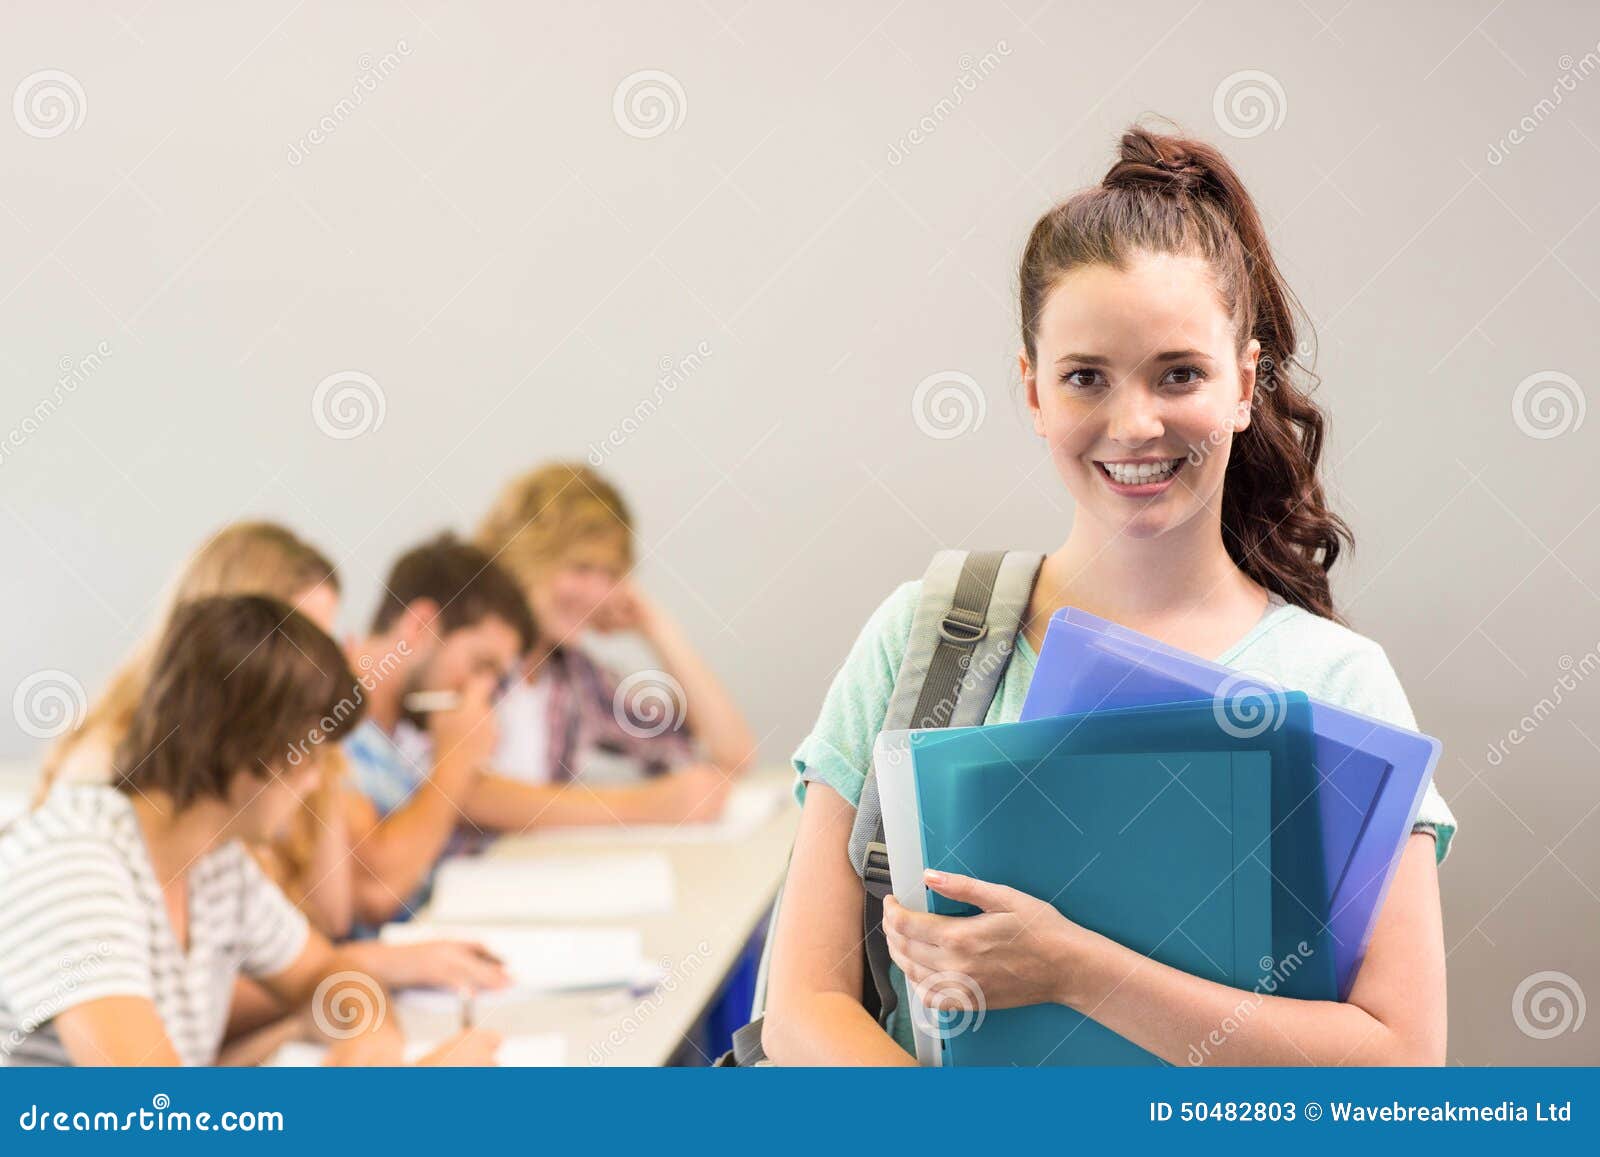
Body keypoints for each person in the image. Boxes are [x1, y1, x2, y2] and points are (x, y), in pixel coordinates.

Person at [761, 123, 1459, 1067]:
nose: (1136, 424)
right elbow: (804, 1005)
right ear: (1034, 391)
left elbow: (1400, 1062)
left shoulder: (1337, 681)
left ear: (1246, 384)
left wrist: (1075, 968)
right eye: (1086, 377)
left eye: (1180, 373)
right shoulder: (924, 639)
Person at [0, 595, 497, 1067]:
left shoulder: (217, 861)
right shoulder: (71, 867)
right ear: (249, 753)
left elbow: (326, 972)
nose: (319, 778)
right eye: (311, 754)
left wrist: (370, 1034)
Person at [472, 462, 755, 819]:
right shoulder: (468, 650)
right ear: (524, 558)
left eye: (610, 574)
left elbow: (732, 754)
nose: (598, 593)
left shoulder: (575, 678)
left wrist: (656, 626)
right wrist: (641, 807)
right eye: (581, 568)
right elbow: (458, 791)